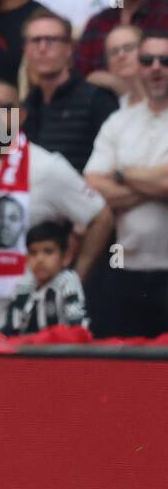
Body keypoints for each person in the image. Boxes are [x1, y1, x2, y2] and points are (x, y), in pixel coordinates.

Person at [0, 78, 111, 325]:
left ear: (21, 116)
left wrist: (74, 278)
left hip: (26, 316)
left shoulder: (46, 167)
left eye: (6, 108)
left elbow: (102, 216)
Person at [83, 29, 168, 338]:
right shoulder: (120, 122)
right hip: (126, 270)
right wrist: (155, 184)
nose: (156, 67)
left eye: (165, 60)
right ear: (139, 67)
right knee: (129, 373)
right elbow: (92, 183)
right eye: (147, 60)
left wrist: (121, 173)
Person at [20, 9, 120, 172]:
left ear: (69, 48)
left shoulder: (97, 99)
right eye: (35, 41)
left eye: (51, 40)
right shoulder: (25, 104)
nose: (42, 48)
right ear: (25, 49)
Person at [1, 221, 91, 334]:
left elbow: (77, 325)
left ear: (66, 257)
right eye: (33, 253)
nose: (40, 259)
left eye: (48, 251)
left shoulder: (67, 281)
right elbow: (13, 328)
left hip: (63, 347)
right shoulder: (23, 285)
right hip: (30, 347)